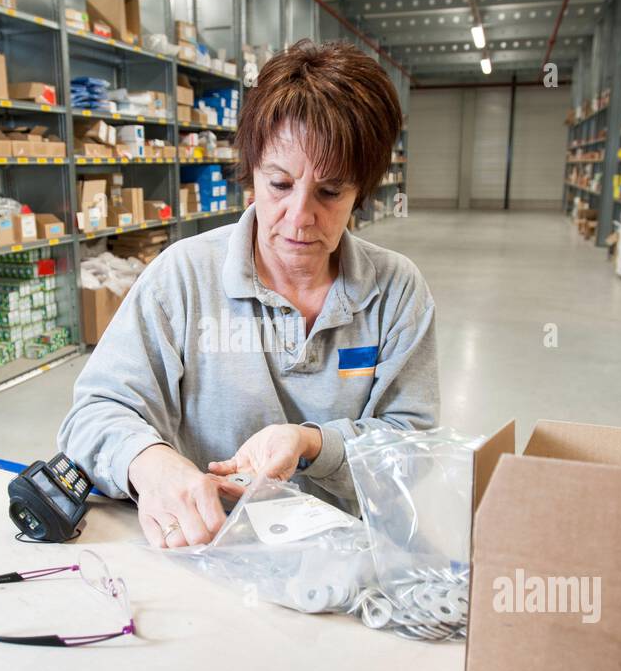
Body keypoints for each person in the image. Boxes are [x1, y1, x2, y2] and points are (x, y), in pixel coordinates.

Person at [58, 39, 439, 548]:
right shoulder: (184, 277)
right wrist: (150, 464)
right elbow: (94, 412)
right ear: (252, 172)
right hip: (210, 548)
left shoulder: (396, 292)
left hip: (342, 555)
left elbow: (409, 450)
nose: (300, 217)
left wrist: (311, 443)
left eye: (330, 192)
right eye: (279, 184)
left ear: (362, 191)